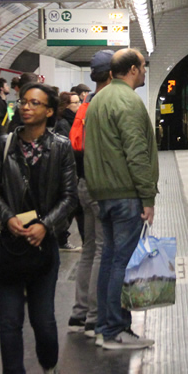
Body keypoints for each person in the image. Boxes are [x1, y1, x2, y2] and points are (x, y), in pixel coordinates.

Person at [0, 83, 77, 374]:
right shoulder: (3, 145)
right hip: (8, 245)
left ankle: (50, 367)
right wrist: (7, 218)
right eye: (23, 102)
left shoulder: (61, 147)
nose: (26, 108)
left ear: (49, 111)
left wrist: (46, 225)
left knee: (43, 319)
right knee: (9, 322)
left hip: (42, 246)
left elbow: (69, 196)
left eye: (35, 103)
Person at [84, 48, 159, 350]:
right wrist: (147, 196)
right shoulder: (128, 102)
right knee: (123, 263)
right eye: (142, 67)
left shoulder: (97, 100)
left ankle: (104, 326)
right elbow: (136, 153)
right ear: (130, 69)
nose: (144, 71)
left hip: (103, 193)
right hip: (126, 193)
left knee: (110, 260)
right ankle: (116, 329)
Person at [66, 50, 113, 336]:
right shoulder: (104, 103)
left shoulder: (85, 103)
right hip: (99, 185)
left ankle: (79, 311)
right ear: (111, 74)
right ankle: (95, 316)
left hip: (82, 184)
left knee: (89, 250)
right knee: (102, 251)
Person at [53, 91, 82, 252]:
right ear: (66, 106)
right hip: (69, 172)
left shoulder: (72, 121)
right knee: (72, 206)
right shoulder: (64, 124)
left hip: (72, 170)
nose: (78, 105)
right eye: (75, 103)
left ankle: (60, 237)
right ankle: (60, 237)